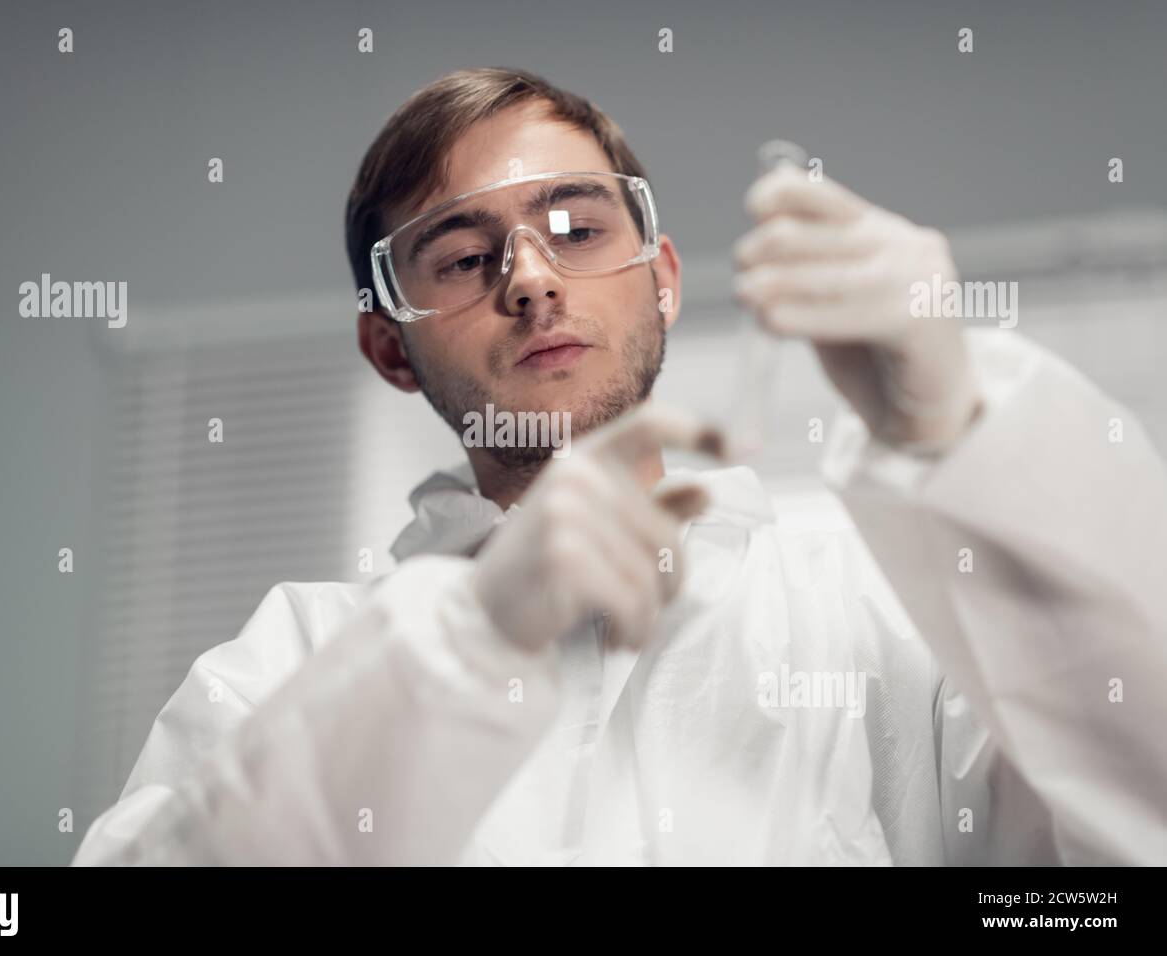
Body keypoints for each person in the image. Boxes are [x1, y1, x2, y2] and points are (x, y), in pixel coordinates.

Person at [73, 67, 1167, 866]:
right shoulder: (289, 660)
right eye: (461, 257)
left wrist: (975, 433)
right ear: (386, 346)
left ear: (664, 280)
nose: (531, 280)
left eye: (578, 229)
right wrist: (465, 643)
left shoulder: (871, 598)